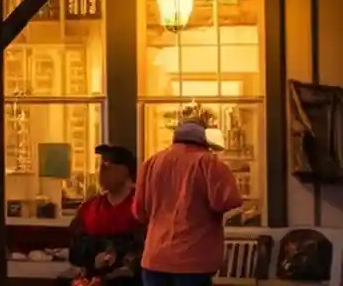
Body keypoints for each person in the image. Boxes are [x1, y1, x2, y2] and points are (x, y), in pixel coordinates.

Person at [133, 120, 243, 286]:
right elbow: (227, 201)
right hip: (193, 259)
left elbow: (138, 212)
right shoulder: (209, 163)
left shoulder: (151, 162)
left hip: (155, 257)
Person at [68, 144, 143, 285]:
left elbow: (147, 247)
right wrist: (93, 258)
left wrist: (121, 258)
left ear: (124, 170)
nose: (101, 172)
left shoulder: (142, 207)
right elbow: (74, 248)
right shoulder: (90, 208)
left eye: (107, 166)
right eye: (101, 166)